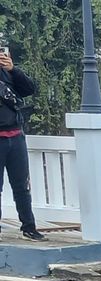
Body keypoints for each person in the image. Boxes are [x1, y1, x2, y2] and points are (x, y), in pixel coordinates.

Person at [0, 47, 44, 241]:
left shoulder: (7, 72)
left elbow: (29, 89)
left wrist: (13, 70)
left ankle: (29, 226)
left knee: (22, 186)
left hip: (16, 136)